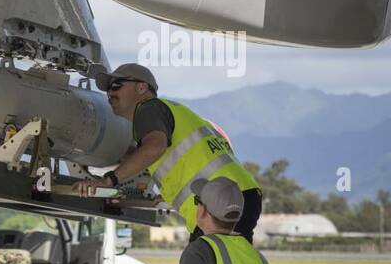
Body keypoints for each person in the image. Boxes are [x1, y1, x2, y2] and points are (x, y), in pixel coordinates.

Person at [76, 63, 262, 243]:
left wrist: (108, 180)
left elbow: (155, 147)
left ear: (142, 88)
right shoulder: (171, 111)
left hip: (220, 202)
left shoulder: (149, 108)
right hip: (235, 196)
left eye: (117, 85)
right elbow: (189, 159)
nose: (110, 93)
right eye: (108, 89)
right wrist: (170, 195)